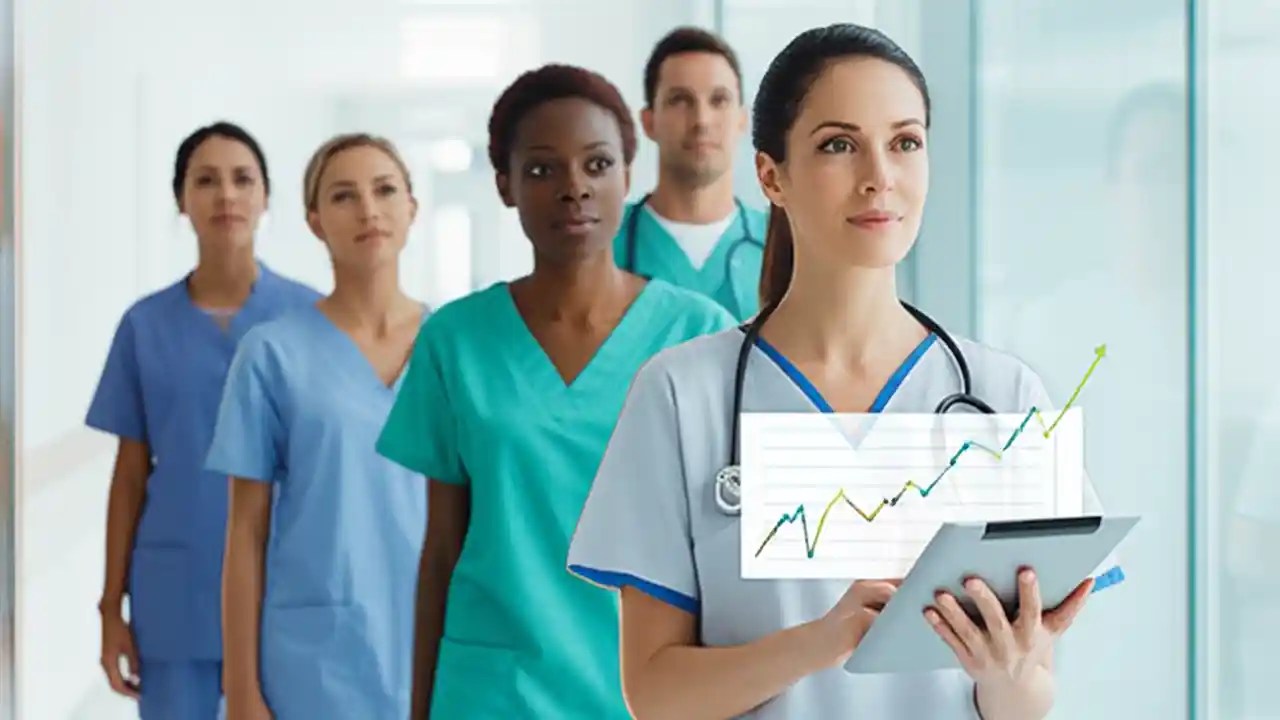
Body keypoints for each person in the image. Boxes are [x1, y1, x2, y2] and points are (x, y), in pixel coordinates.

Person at [567, 24, 1112, 719]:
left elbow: (1027, 698)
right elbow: (655, 695)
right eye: (838, 144)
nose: (879, 174)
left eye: (905, 142)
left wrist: (1006, 675)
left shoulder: (1006, 399)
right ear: (771, 175)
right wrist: (822, 641)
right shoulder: (683, 395)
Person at [375, 64, 735, 719]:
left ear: (628, 174)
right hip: (493, 690)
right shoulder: (455, 341)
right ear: (505, 186)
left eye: (597, 164)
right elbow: (442, 551)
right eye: (542, 170)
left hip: (643, 692)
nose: (574, 188)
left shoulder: (698, 335)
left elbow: (725, 548)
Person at [84, 121, 320, 719]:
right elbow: (130, 473)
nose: (226, 196)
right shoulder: (145, 325)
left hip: (283, 592)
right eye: (206, 180)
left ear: (267, 197)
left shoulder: (310, 319)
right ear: (181, 200)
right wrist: (112, 607)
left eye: (243, 179)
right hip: (174, 596)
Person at [207, 133, 428, 719]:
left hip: (436, 654)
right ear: (314, 221)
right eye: (343, 196)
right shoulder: (271, 354)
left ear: (412, 207)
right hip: (313, 665)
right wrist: (243, 694)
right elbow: (245, 534)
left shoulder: (455, 347)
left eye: (384, 190)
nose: (368, 210)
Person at [616, 26, 768, 321]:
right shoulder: (604, 239)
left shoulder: (785, 244)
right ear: (649, 122)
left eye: (719, 100)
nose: (701, 120)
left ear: (742, 120)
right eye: (680, 100)